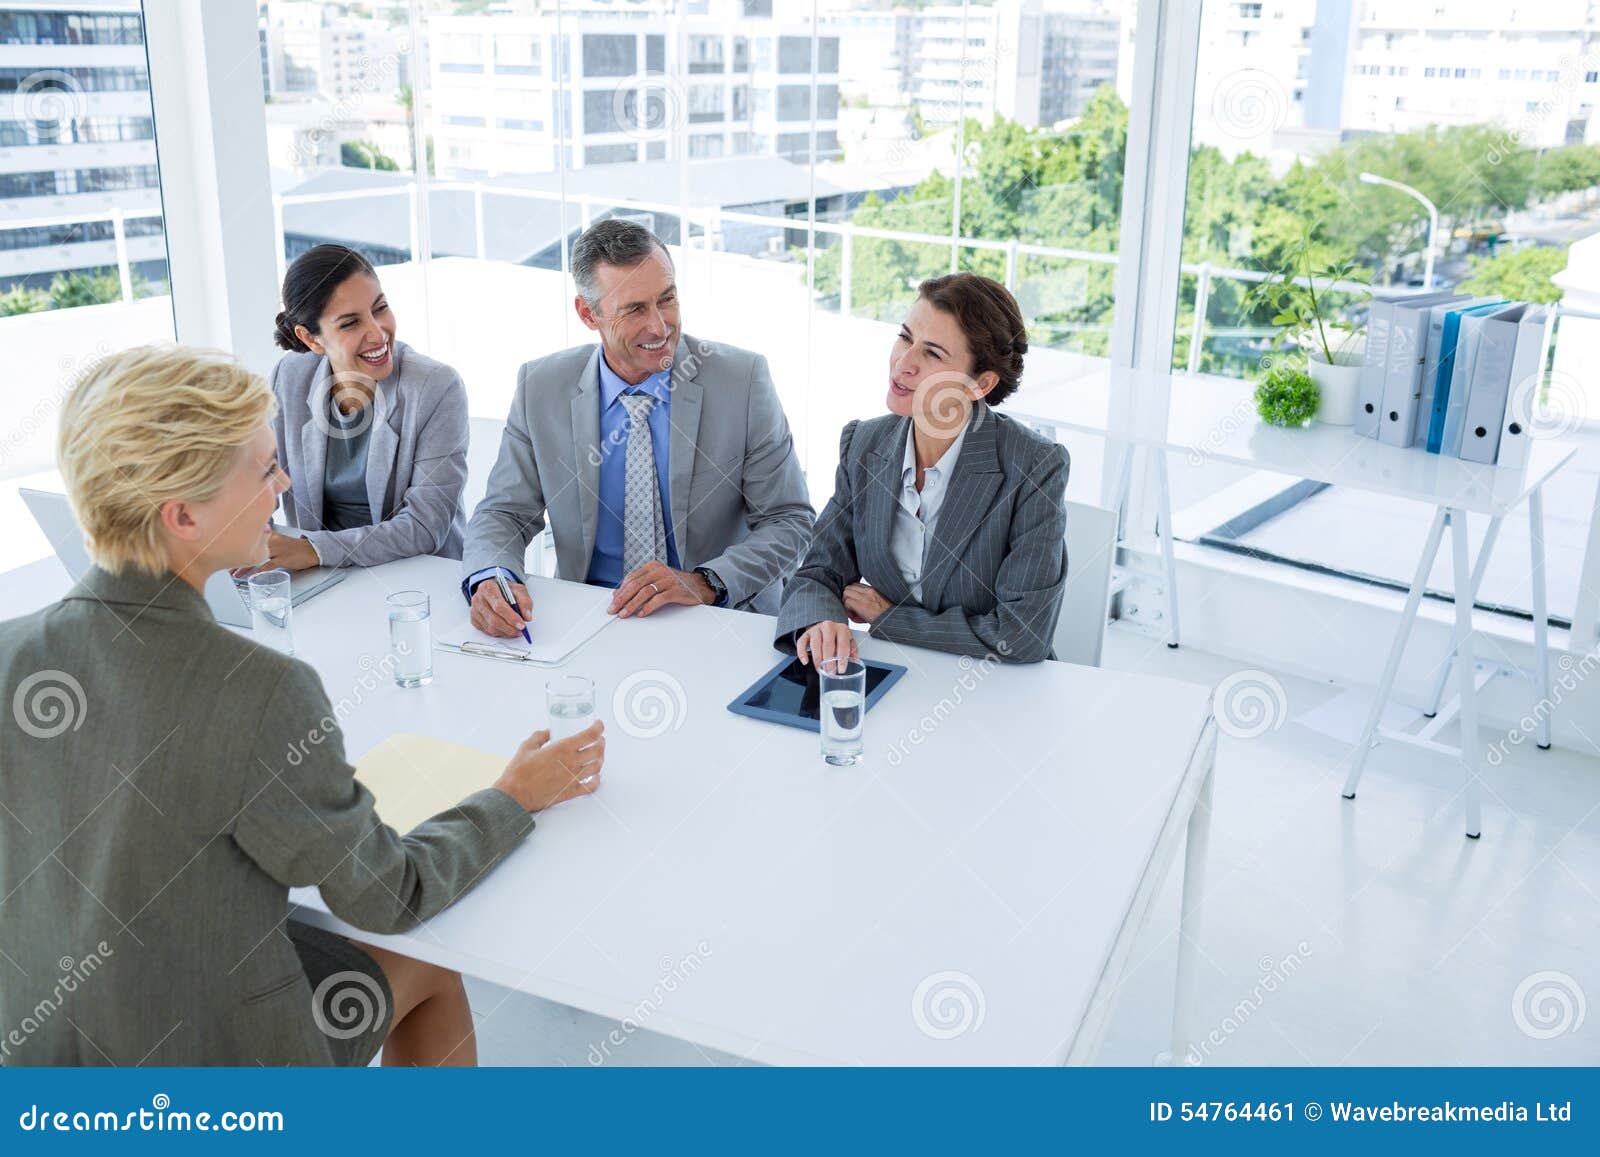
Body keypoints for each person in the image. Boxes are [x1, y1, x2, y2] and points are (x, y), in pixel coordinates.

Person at [0, 345, 604, 1066]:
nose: (282, 483)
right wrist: (513, 796)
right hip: (215, 1061)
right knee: (431, 965)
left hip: (37, 1046)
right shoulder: (259, 689)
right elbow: (388, 894)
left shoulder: (12, 650)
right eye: (263, 470)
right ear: (183, 516)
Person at [461, 218, 815, 635]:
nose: (659, 326)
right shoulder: (540, 386)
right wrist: (489, 577)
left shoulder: (742, 380)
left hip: (719, 617)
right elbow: (506, 511)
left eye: (667, 299)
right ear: (588, 313)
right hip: (592, 615)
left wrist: (707, 582)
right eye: (634, 309)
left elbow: (789, 521)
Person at [775, 272, 1069, 666]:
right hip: (896, 673)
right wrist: (821, 619)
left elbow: (1021, 635)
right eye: (905, 337)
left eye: (932, 353)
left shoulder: (1034, 467)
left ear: (980, 383)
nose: (903, 363)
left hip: (995, 687)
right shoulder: (864, 444)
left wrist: (890, 618)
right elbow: (817, 572)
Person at [264, 243, 469, 569]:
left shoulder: (435, 387)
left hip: (419, 575)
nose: (377, 333)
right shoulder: (289, 377)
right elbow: (260, 482)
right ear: (311, 339)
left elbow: (425, 526)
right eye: (350, 323)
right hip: (323, 576)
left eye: (380, 308)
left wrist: (313, 550)